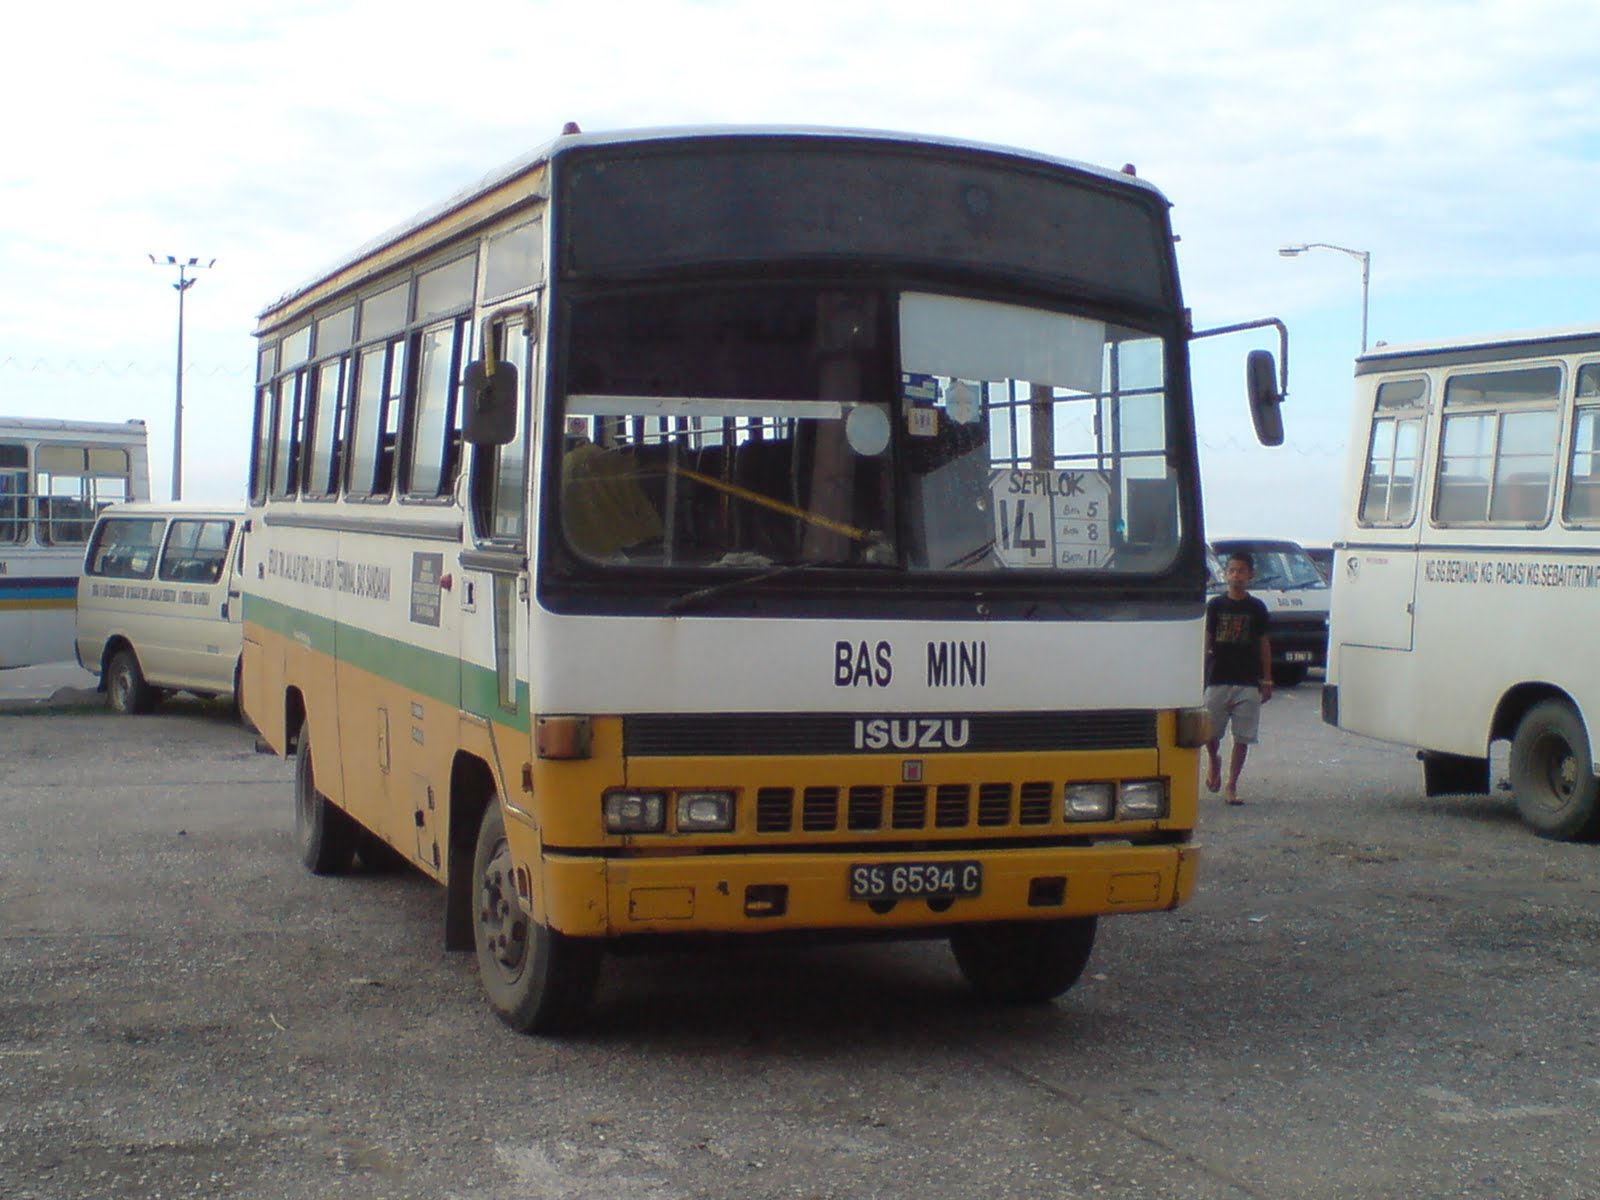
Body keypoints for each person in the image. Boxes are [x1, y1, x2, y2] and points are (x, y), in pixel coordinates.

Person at [1204, 549, 1273, 804]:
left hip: (1247, 679)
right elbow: (1207, 639)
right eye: (1232, 570)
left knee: (1242, 737)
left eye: (1241, 571)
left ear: (1250, 575)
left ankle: (1232, 785)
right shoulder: (1215, 605)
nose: (1236, 576)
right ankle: (1213, 761)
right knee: (1209, 733)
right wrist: (1200, 674)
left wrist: (1267, 679)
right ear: (1225, 573)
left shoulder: (1256, 608)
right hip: (1218, 677)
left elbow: (1264, 643)